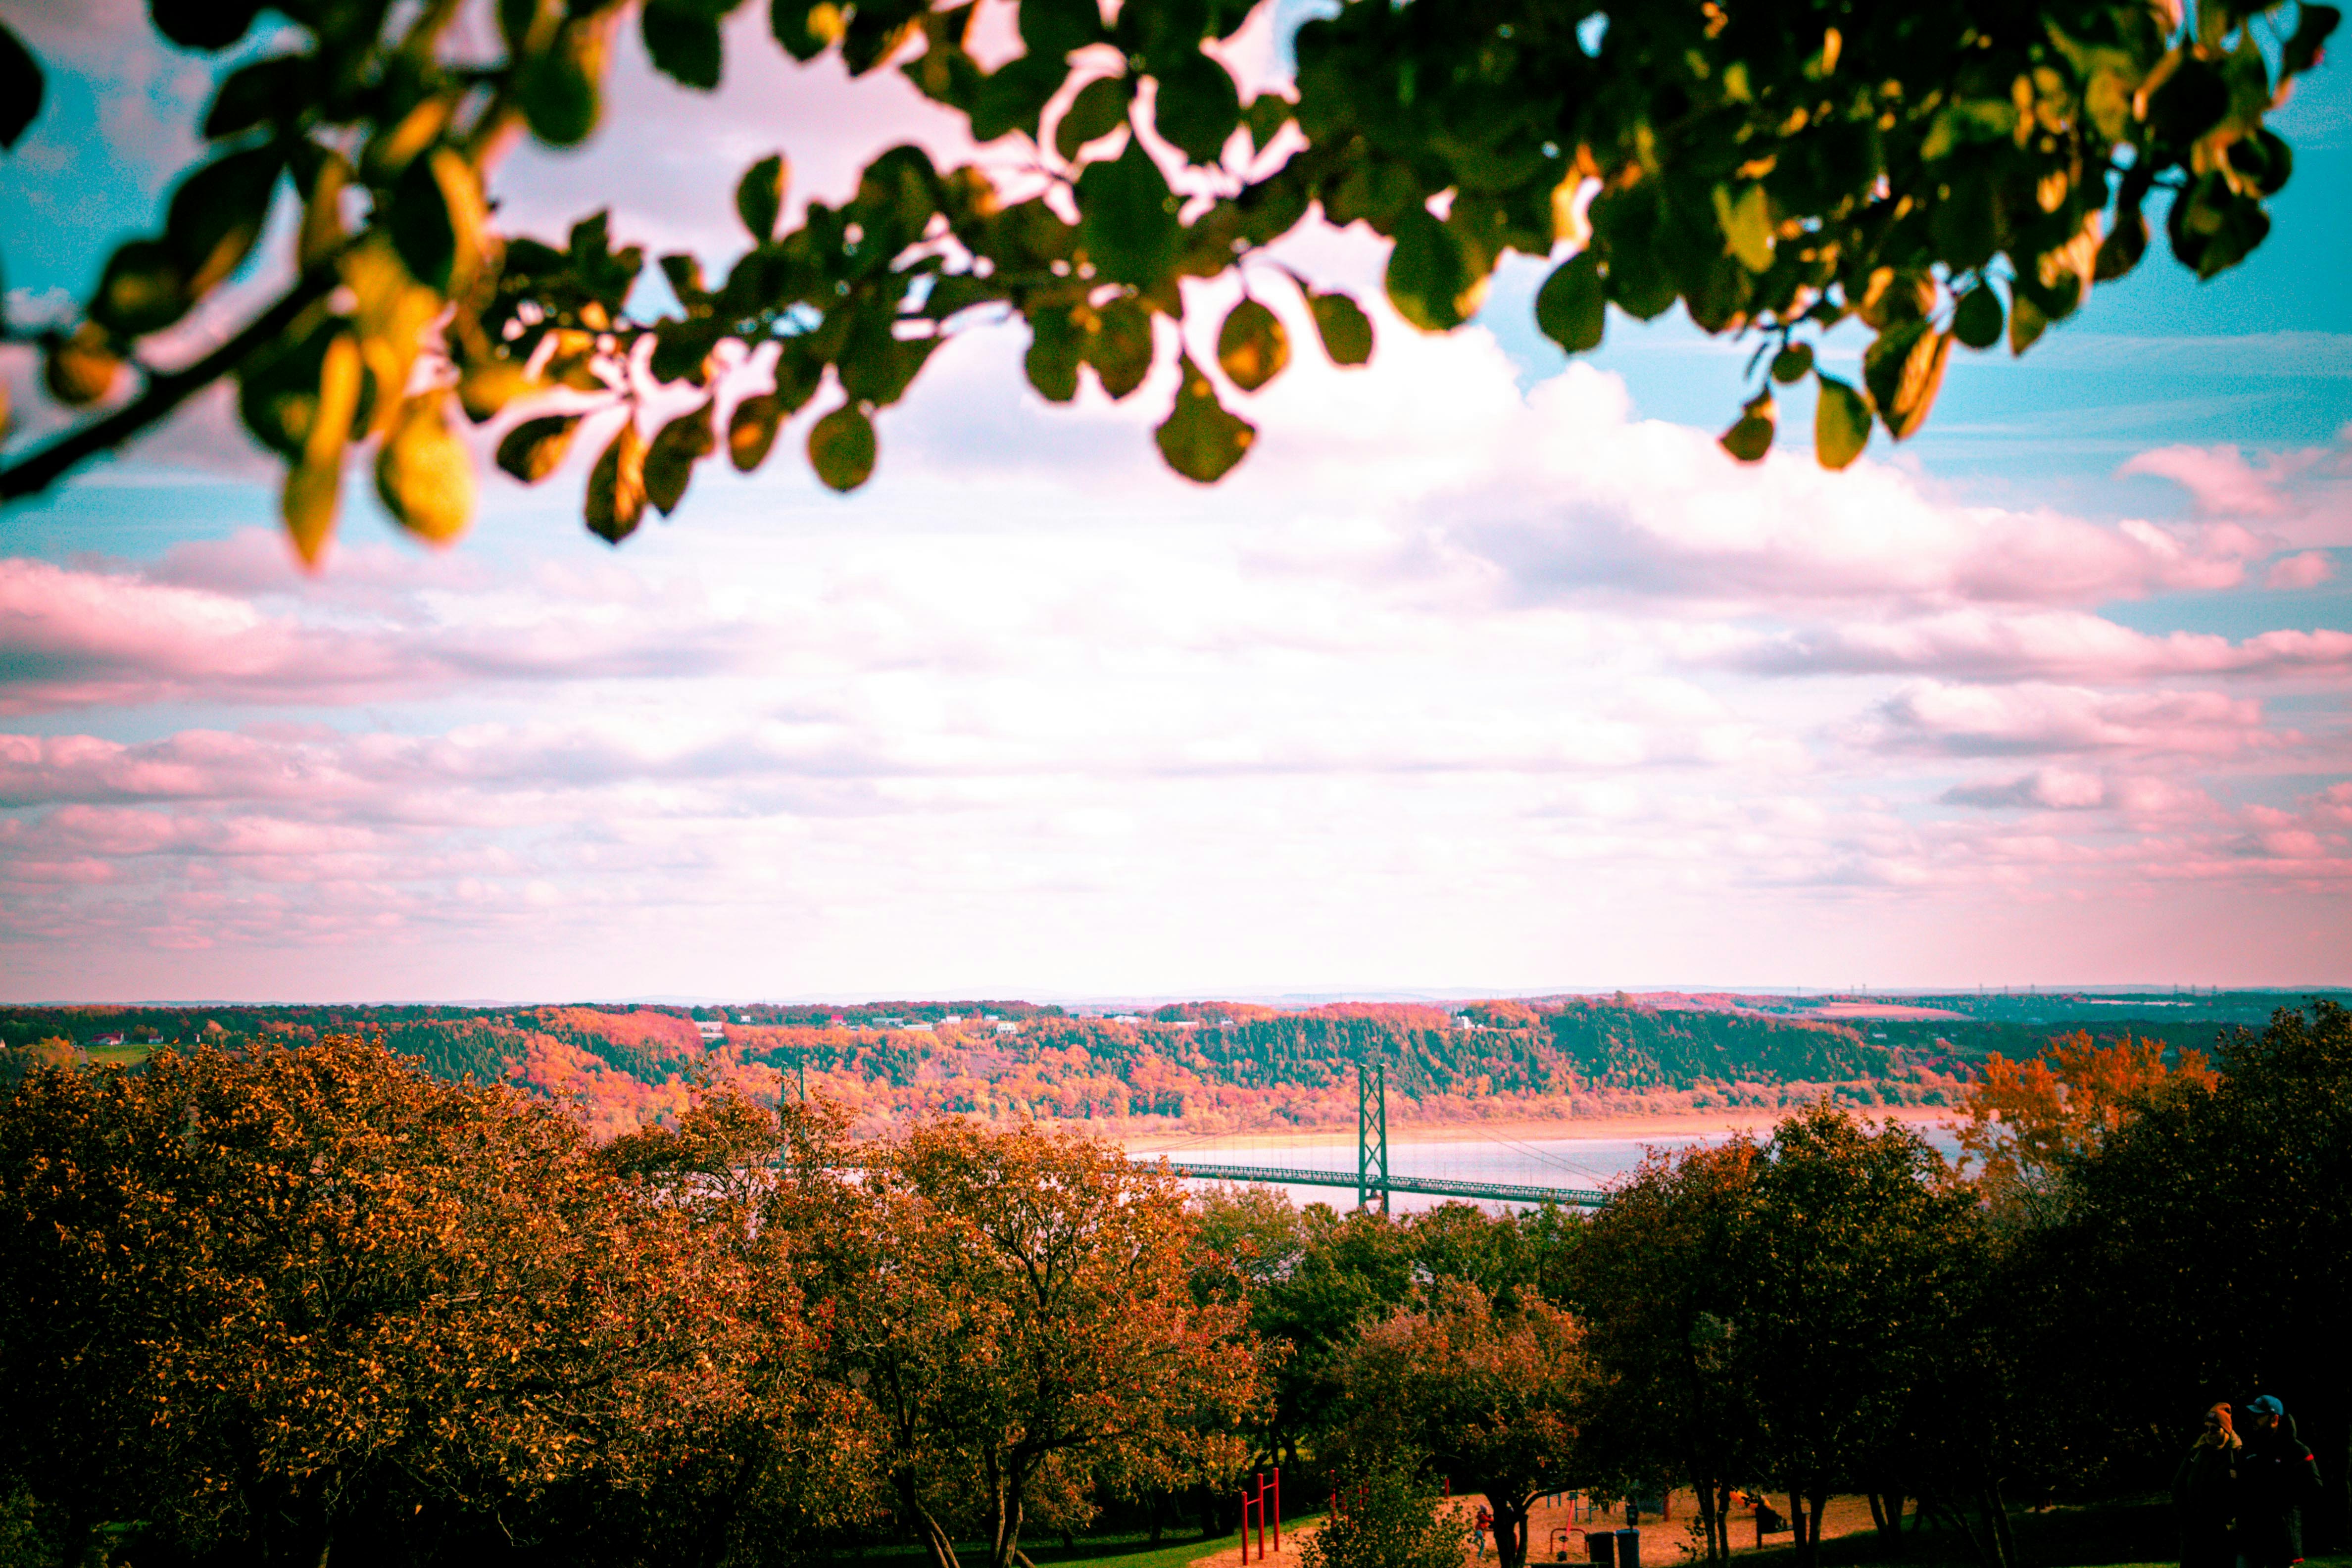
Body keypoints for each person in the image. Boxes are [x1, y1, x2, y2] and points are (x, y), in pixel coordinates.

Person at [2239, 1395, 2323, 1568]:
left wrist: (2279, 1498)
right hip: (2251, 1536)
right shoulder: (2250, 1448)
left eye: (2258, 1416)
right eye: (2252, 1415)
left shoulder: (2297, 1450)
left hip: (2281, 1537)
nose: (2253, 1419)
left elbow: (2315, 1487)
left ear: (2275, 1419)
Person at [2172, 1402, 2240, 1568]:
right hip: (2194, 1534)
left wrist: (2231, 1525)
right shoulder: (2196, 1453)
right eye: (2206, 1429)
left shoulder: (2237, 1456)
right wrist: (2185, 1521)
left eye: (2215, 1429)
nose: (2209, 1433)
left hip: (2223, 1536)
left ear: (2226, 1430)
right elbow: (2178, 1486)